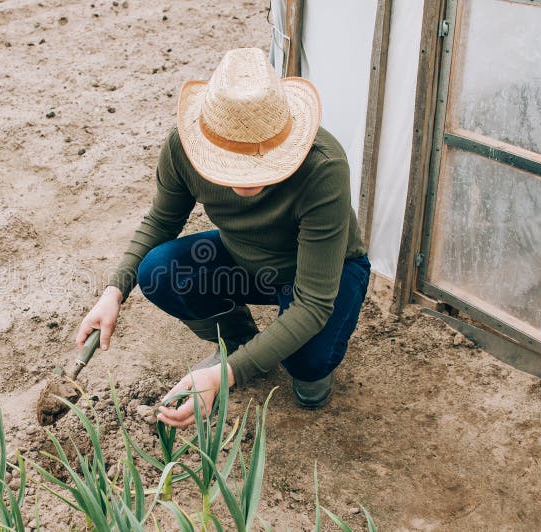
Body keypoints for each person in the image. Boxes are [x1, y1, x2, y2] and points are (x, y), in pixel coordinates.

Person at [75, 47, 370, 428]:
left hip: (322, 270)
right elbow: (161, 222)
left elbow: (312, 303)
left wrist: (220, 378)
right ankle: (237, 343)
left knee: (306, 363)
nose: (244, 180)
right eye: (231, 165)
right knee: (159, 271)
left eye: (259, 163)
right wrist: (112, 292)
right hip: (244, 258)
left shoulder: (322, 166)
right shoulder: (183, 148)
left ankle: (295, 365)